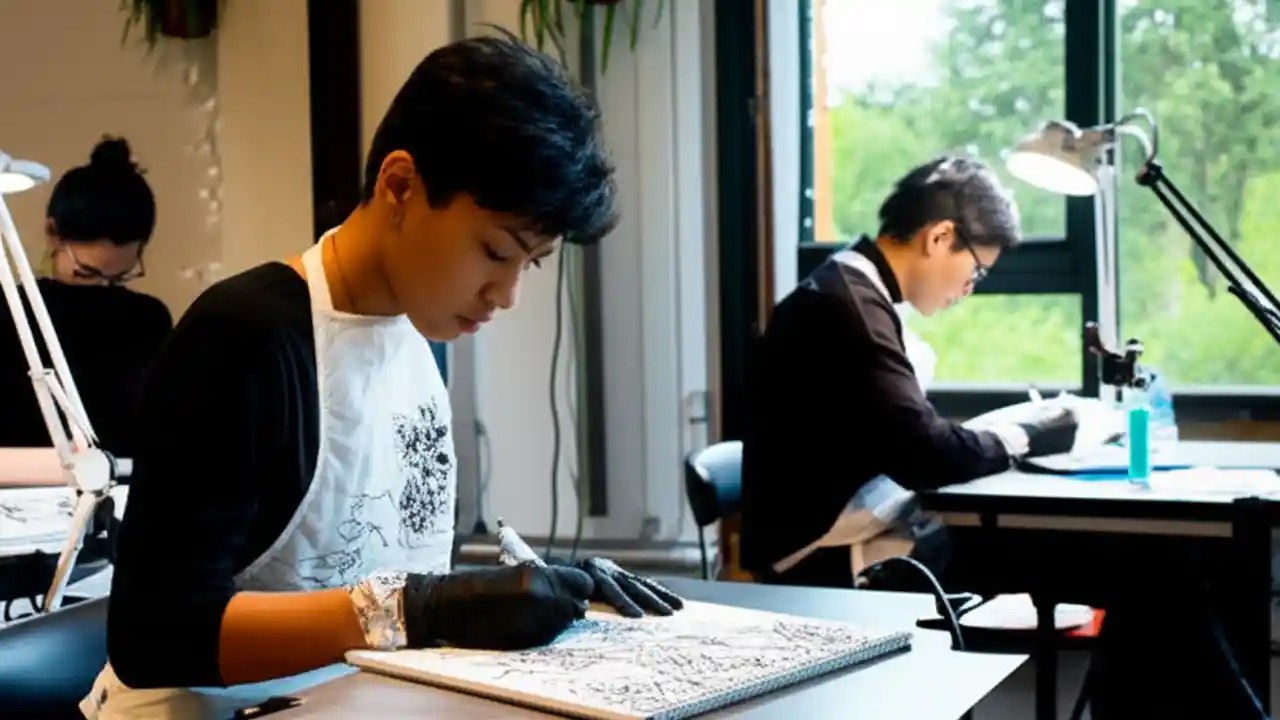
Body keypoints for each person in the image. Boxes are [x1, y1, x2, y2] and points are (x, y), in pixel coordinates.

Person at [82, 34, 682, 720]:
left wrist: (539, 596)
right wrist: (421, 608)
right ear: (399, 186)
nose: (506, 295)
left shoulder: (420, 333)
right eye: (495, 252)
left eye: (531, 264)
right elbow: (155, 636)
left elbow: (378, 561)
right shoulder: (246, 337)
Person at [741, 155, 1264, 719]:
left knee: (1157, 567)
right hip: (843, 560)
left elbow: (909, 438)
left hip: (886, 527)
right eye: (977, 271)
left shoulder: (848, 291)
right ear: (940, 237)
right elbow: (928, 455)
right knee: (1153, 573)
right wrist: (1023, 436)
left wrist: (998, 436)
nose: (970, 289)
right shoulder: (848, 311)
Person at [0, 136, 171, 459]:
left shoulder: (149, 320)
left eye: (119, 278)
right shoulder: (12, 311)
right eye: (86, 273)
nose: (102, 293)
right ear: (52, 233)